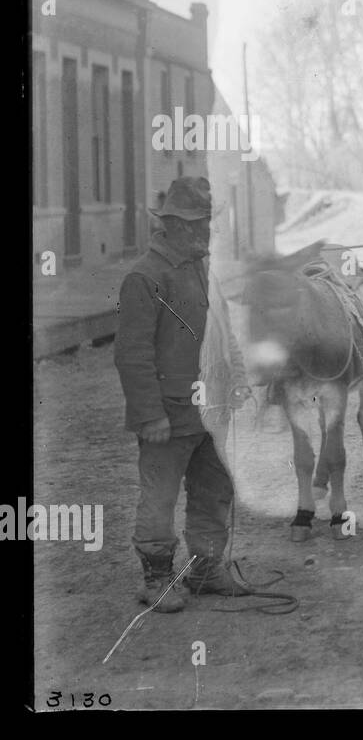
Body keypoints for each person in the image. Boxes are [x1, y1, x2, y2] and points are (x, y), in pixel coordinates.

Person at [114, 176, 251, 612]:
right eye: (202, 224)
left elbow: (225, 332)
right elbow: (132, 356)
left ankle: (206, 569)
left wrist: (239, 377)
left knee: (213, 490)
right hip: (168, 416)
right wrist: (149, 415)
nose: (209, 233)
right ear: (177, 225)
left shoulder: (203, 269)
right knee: (160, 496)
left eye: (210, 223)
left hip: (211, 410)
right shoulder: (144, 277)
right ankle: (155, 579)